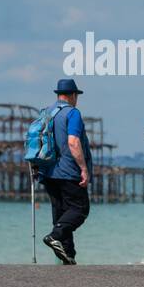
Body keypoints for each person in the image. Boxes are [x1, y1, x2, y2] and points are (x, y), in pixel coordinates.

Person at [37, 79, 93, 264]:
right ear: (73, 95)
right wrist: (83, 168)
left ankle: (68, 255)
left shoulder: (46, 113)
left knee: (61, 213)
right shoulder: (72, 113)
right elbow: (73, 142)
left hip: (48, 171)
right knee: (80, 208)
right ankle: (55, 235)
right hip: (68, 171)